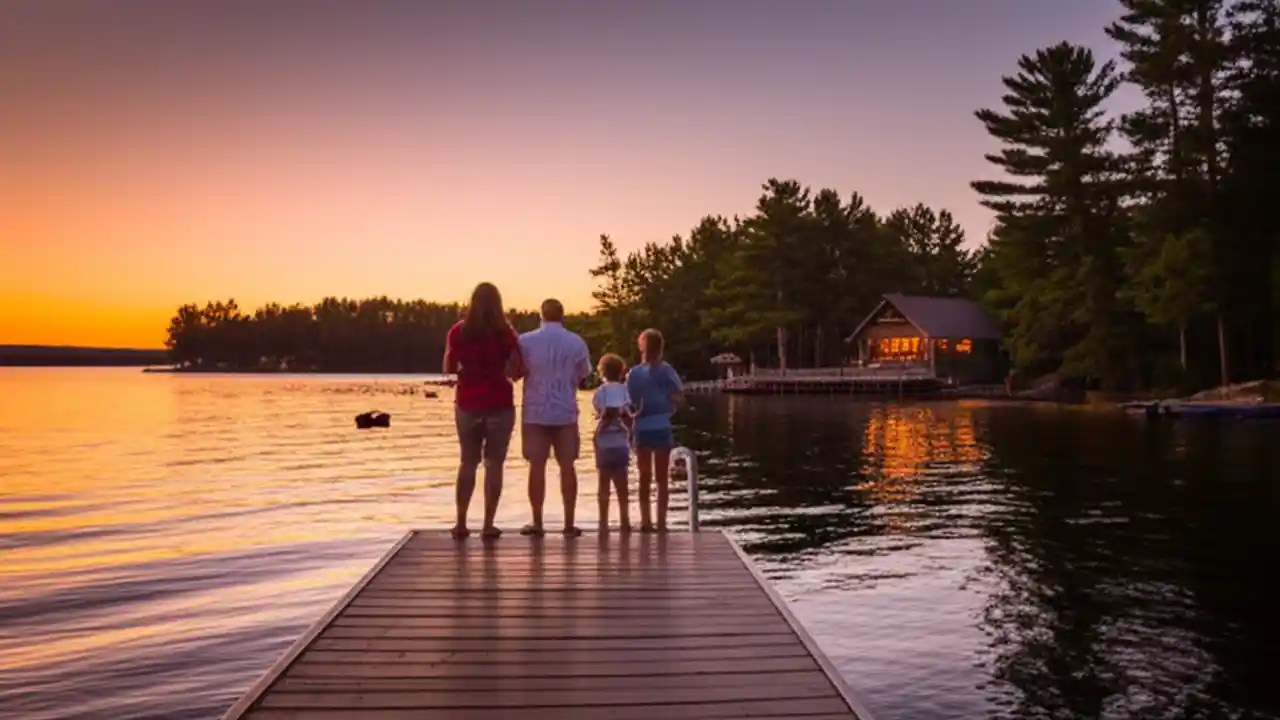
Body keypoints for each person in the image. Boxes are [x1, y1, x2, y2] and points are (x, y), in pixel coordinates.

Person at [443, 282, 523, 539]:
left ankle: (461, 523)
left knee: (468, 462)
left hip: (467, 403)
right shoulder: (506, 333)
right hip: (499, 402)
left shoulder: (458, 331)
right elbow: (517, 371)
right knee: (494, 464)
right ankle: (488, 525)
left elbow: (449, 366)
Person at [518, 298, 591, 536]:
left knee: (536, 467)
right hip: (565, 412)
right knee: (567, 467)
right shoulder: (576, 342)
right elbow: (583, 379)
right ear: (563, 316)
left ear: (541, 315)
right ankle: (569, 524)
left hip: (535, 411)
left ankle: (537, 522)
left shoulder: (525, 342)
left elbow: (517, 373)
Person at [626, 328, 683, 532]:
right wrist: (668, 401)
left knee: (644, 478)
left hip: (642, 427)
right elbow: (678, 396)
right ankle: (661, 523)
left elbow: (629, 402)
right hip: (661, 426)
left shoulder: (633, 373)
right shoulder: (667, 371)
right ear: (660, 348)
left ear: (642, 347)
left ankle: (645, 521)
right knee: (661, 479)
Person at [592, 354, 633, 533]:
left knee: (603, 486)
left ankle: (603, 522)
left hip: (604, 443)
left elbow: (599, 410)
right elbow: (627, 412)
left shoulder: (600, 392)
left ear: (602, 372)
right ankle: (625, 521)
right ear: (621, 372)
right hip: (621, 443)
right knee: (622, 486)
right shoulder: (625, 390)